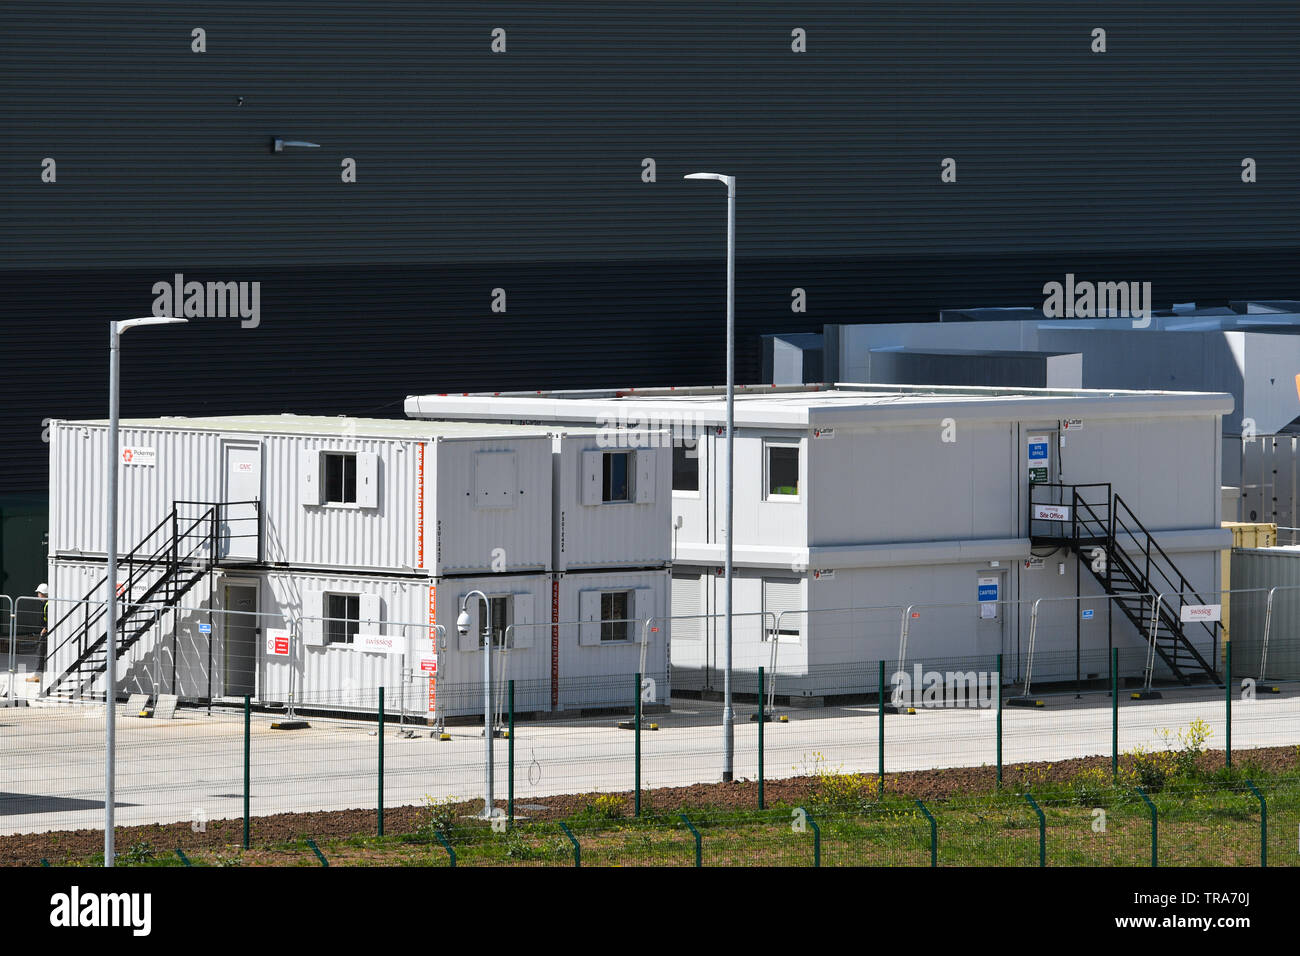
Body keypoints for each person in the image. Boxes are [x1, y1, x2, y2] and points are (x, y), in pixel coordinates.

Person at [25, 583, 47, 682]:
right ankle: (38, 675)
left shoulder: (47, 604)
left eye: (39, 593)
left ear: (43, 593)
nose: (38, 595)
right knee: (41, 653)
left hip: (46, 632)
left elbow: (50, 618)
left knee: (40, 652)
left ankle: (38, 675)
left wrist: (45, 629)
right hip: (45, 631)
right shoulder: (46, 604)